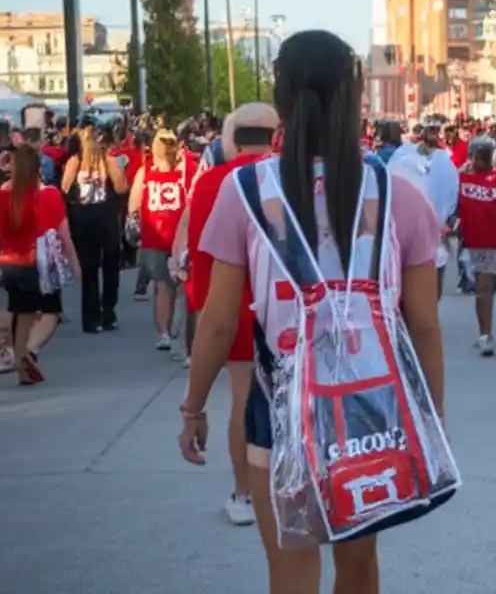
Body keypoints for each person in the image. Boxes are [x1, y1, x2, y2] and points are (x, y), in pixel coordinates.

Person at [177, 30, 447, 594]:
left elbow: (219, 321)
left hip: (280, 406)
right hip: (372, 408)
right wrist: (430, 420)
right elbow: (423, 323)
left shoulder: (244, 191)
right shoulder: (400, 193)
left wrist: (194, 406)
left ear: (282, 97)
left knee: (291, 571)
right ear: (355, 97)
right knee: (358, 568)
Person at [177, 102, 279, 527]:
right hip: (287, 310)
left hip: (234, 306)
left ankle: (245, 494)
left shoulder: (211, 185)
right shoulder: (288, 180)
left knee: (243, 399)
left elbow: (201, 253)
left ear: (232, 139)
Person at [0, 146, 81, 386]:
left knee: (14, 306)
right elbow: (64, 235)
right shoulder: (48, 195)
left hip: (7, 261)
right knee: (41, 314)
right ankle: (24, 357)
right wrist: (75, 265)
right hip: (33, 261)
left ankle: (6, 332)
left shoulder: (1, 196)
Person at [128, 128, 193, 353]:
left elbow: (134, 203)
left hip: (158, 235)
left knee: (163, 286)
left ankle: (166, 332)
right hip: (174, 236)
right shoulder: (184, 170)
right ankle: (173, 329)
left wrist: (134, 224)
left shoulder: (147, 171)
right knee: (178, 285)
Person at [62, 127, 128, 332]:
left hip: (90, 219)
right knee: (105, 268)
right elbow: (121, 188)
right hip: (100, 218)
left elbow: (65, 189)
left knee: (94, 268)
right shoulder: (87, 161)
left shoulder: (94, 161)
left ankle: (96, 317)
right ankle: (105, 313)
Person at [457, 136, 496, 357]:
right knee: (485, 289)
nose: (478, 159)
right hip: (473, 243)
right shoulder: (461, 179)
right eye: (475, 155)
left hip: (494, 243)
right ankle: (485, 335)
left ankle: (486, 334)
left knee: (486, 289)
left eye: (483, 155)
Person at [387, 116, 459, 296]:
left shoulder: (444, 160)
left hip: (435, 232)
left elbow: (451, 193)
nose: (433, 135)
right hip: (408, 232)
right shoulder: (404, 155)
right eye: (431, 130)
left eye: (437, 131)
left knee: (434, 291)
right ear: (424, 132)